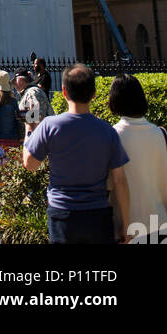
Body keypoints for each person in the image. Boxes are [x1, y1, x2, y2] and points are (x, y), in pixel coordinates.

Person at [23, 64, 130, 244]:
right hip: (98, 214)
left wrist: (28, 129)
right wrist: (126, 226)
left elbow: (30, 164)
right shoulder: (108, 131)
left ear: (64, 91)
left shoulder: (50, 126)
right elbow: (120, 180)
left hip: (62, 214)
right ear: (94, 93)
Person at [106, 73, 167, 242]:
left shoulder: (113, 135)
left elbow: (111, 184)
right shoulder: (161, 133)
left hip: (128, 228)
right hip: (161, 223)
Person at [13, 70, 52, 137]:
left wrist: (31, 139)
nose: (14, 84)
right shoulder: (28, 93)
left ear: (21, 80)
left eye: (14, 81)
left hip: (40, 138)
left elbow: (37, 118)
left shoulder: (32, 92)